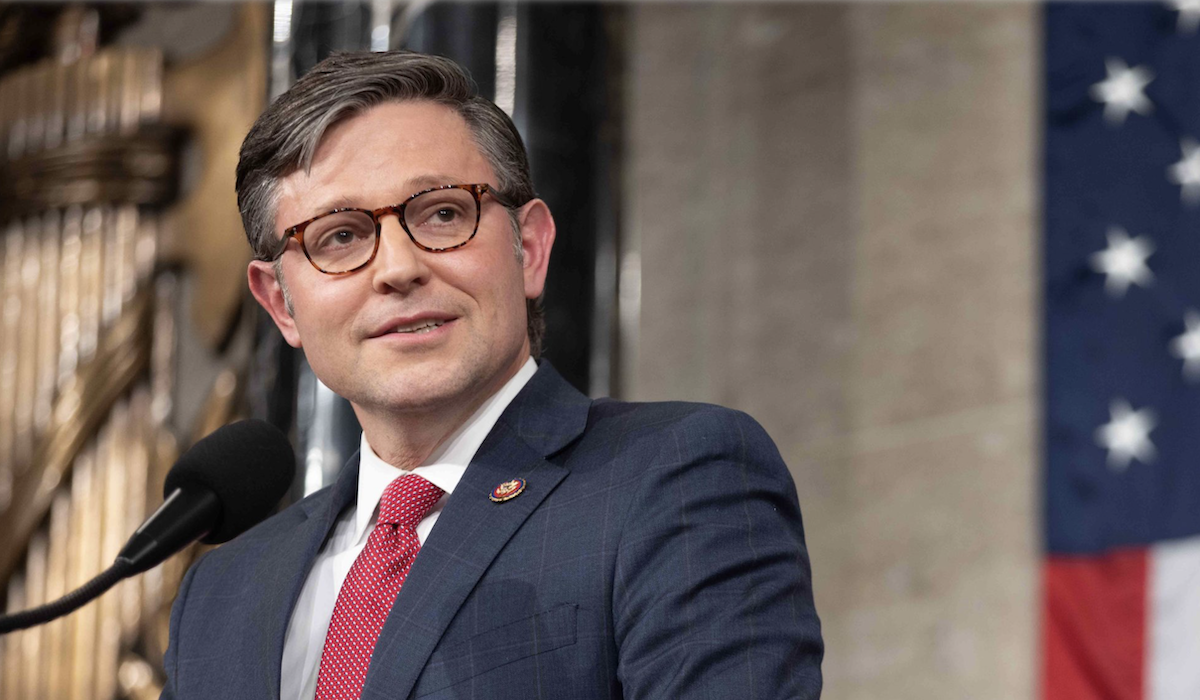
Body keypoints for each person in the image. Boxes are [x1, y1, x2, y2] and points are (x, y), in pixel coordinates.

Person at [160, 50, 823, 700]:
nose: (399, 269)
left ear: (528, 249)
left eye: (443, 213)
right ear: (281, 305)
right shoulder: (222, 593)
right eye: (340, 236)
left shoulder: (675, 476)